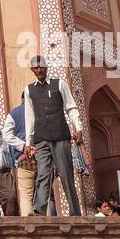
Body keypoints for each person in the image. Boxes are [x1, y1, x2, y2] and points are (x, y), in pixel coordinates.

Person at [23, 56, 82, 216]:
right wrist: (28, 142)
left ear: (46, 67)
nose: (39, 70)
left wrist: (78, 127)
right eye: (36, 68)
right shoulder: (29, 90)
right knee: (43, 173)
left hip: (60, 136)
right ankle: (39, 210)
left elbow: (71, 107)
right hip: (41, 138)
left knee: (65, 174)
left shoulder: (59, 84)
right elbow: (30, 116)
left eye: (41, 66)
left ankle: (75, 211)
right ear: (32, 70)